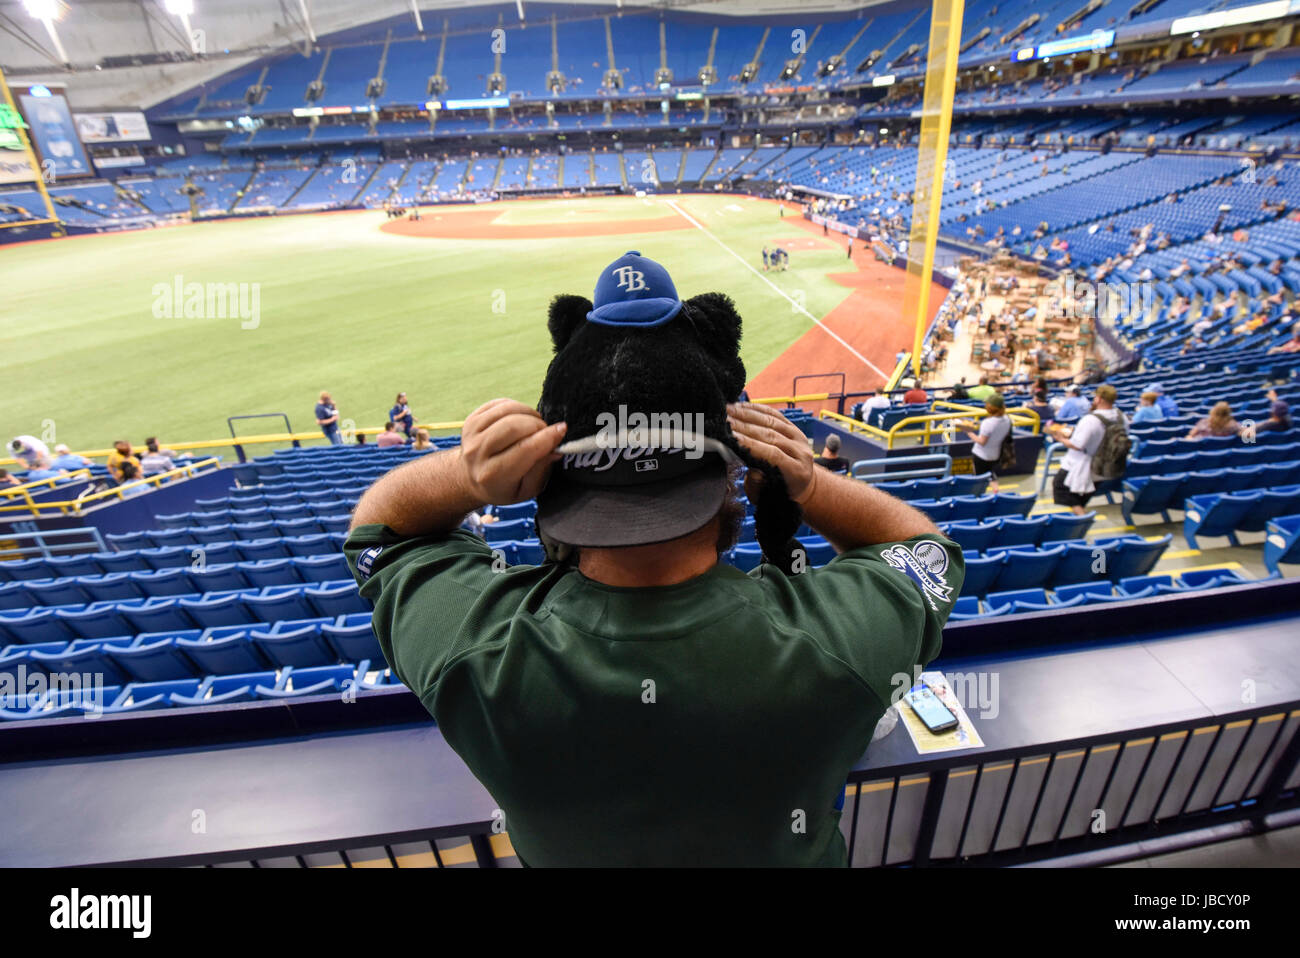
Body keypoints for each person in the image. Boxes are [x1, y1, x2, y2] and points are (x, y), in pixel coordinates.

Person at [343, 250, 965, 866]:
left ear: (552, 485)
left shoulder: (470, 650)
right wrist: (809, 484)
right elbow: (923, 549)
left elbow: (382, 534)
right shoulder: (837, 642)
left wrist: (469, 476)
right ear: (732, 479)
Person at [1048, 384, 1125, 516]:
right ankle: (1080, 517)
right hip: (1107, 463)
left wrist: (1060, 438)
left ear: (1099, 399)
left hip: (1084, 463)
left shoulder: (1091, 420)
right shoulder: (1121, 416)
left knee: (1062, 488)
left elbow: (1078, 445)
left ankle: (1083, 519)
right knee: (1082, 495)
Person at [957, 393, 1011, 494]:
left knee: (979, 477)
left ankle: (978, 497)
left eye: (987, 404)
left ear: (991, 407)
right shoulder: (1007, 419)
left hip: (981, 455)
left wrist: (967, 431)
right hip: (995, 455)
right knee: (990, 472)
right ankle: (996, 492)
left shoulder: (989, 423)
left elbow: (982, 441)